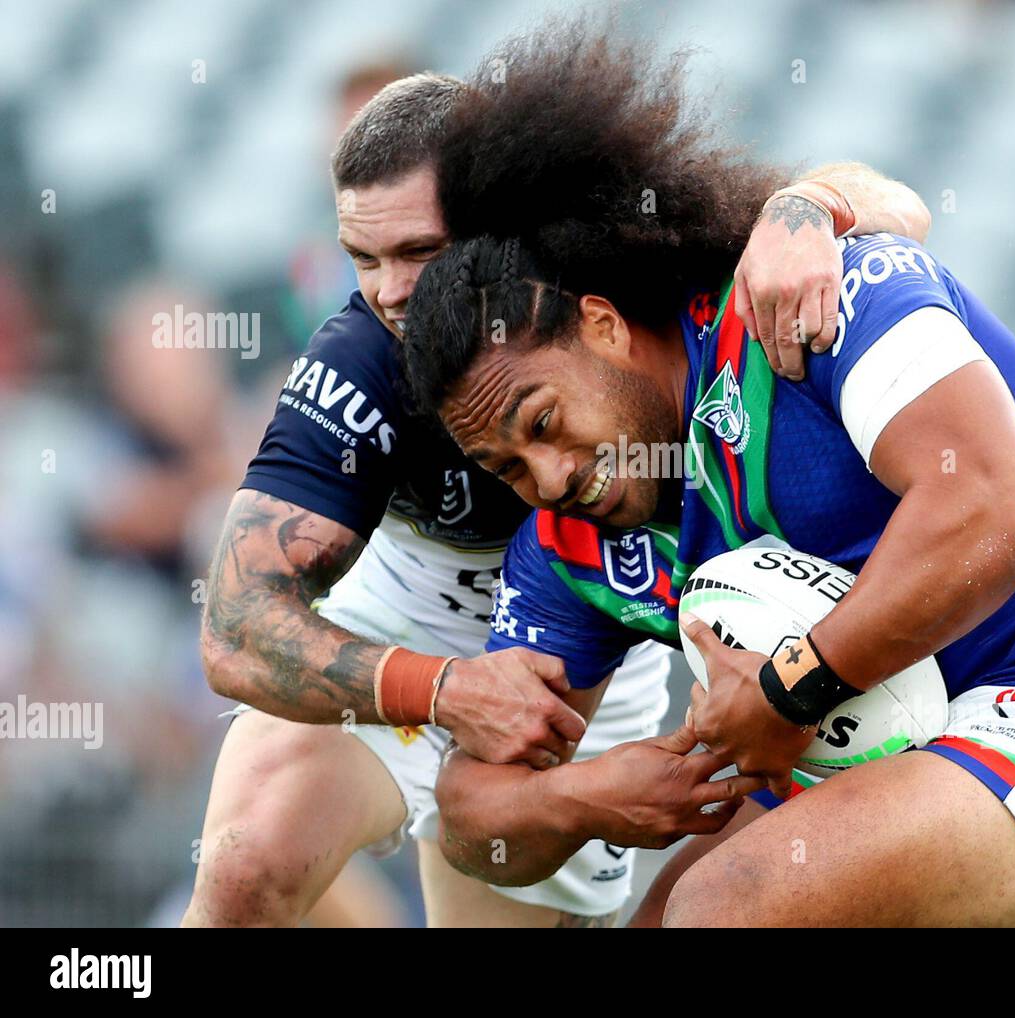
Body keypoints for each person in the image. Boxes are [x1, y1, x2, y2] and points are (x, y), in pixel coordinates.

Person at [400, 26, 1015, 928]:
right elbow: (473, 810)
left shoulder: (818, 303)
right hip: (883, 766)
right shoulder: (571, 543)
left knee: (723, 910)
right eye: (504, 467)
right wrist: (587, 798)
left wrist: (793, 688)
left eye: (544, 424)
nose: (546, 478)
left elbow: (996, 508)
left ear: (601, 325)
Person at [183, 67, 932, 927]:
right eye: (363, 259)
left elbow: (897, 208)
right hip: (397, 643)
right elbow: (234, 625)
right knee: (241, 881)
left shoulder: (612, 258)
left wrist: (805, 210)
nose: (390, 292)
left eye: (419, 253)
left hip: (575, 681)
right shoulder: (358, 358)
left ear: (498, 218)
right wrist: (446, 688)